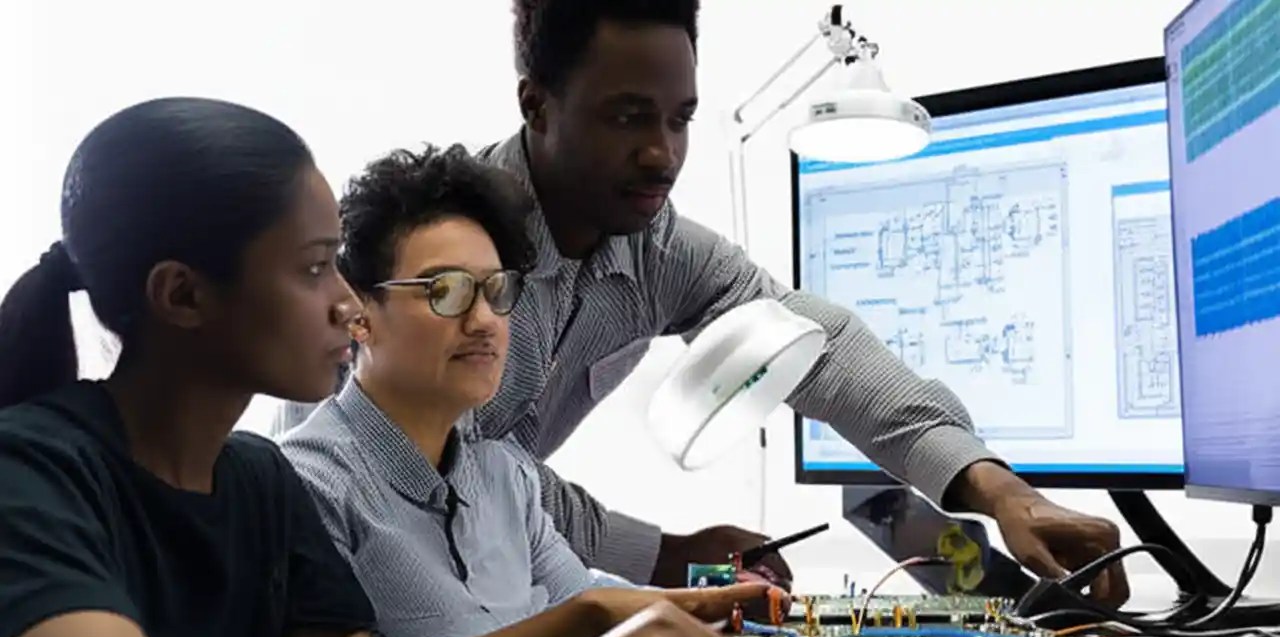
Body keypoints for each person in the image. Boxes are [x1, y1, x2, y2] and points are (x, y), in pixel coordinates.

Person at [275, 0, 1130, 605]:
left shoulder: (657, 248)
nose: (662, 154)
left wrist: (995, 490)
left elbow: (814, 345)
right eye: (628, 118)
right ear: (537, 103)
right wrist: (663, 554)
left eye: (681, 118)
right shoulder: (443, 257)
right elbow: (477, 469)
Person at [0, 97, 763, 637]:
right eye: (312, 269)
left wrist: (589, 619)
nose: (344, 304)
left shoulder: (259, 481)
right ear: (182, 294)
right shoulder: (29, 469)